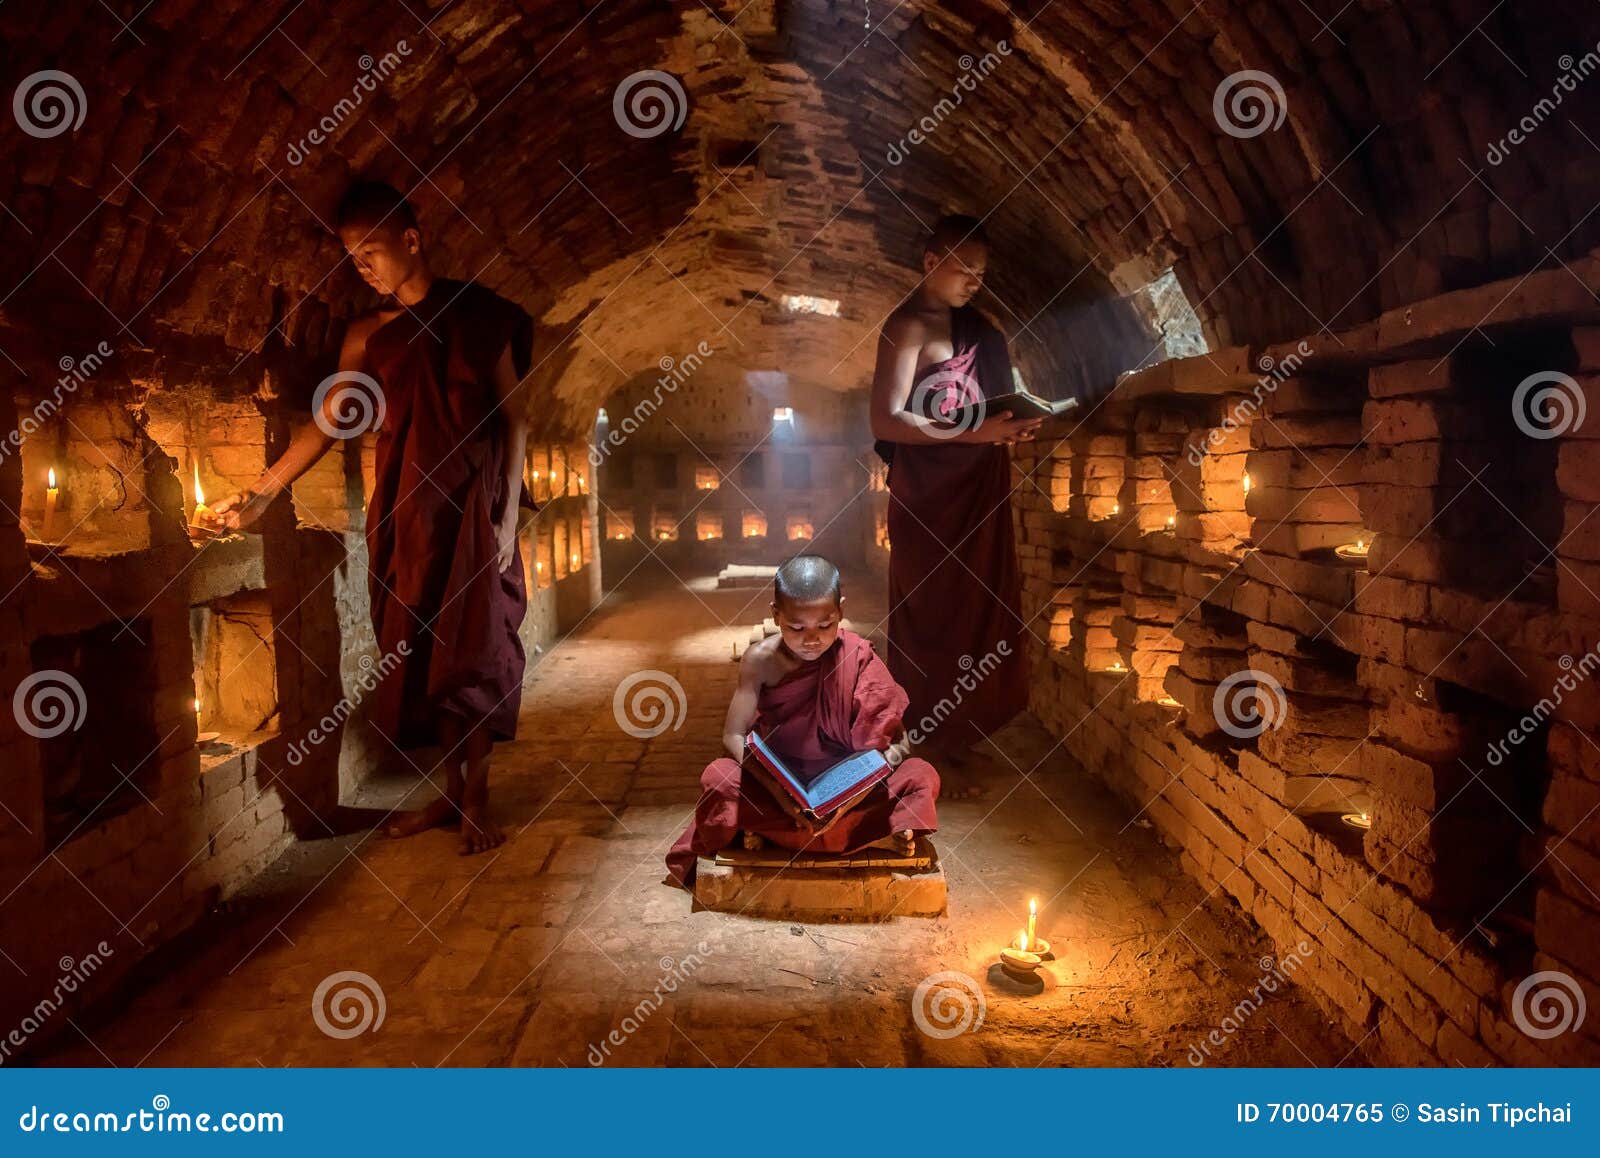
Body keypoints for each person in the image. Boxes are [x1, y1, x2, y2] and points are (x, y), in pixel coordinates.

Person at [210, 180, 533, 855]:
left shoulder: (481, 314)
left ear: (411, 240)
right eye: (353, 258)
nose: (363, 268)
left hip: (474, 507)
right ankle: (451, 792)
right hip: (407, 510)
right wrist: (261, 493)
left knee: (476, 647)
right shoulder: (368, 335)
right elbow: (330, 420)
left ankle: (476, 800)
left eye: (372, 251)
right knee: (421, 649)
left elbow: (515, 418)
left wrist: (505, 517)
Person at [868, 214, 1037, 787]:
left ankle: (962, 733)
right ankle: (921, 733)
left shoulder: (982, 331)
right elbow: (886, 420)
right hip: (928, 495)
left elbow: (989, 407)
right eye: (963, 267)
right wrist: (976, 432)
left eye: (981, 272)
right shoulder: (907, 326)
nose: (973, 281)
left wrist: (1009, 427)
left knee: (980, 607)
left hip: (978, 485)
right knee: (930, 609)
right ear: (930, 261)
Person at [665, 555, 940, 889]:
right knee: (719, 777)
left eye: (825, 625)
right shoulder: (760, 661)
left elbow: (898, 744)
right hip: (781, 784)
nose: (812, 639)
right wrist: (780, 794)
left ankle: (771, 835)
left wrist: (844, 803)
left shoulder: (857, 657)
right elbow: (733, 735)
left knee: (921, 775)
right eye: (797, 628)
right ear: (776, 615)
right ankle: (865, 837)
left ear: (840, 610)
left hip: (849, 792)